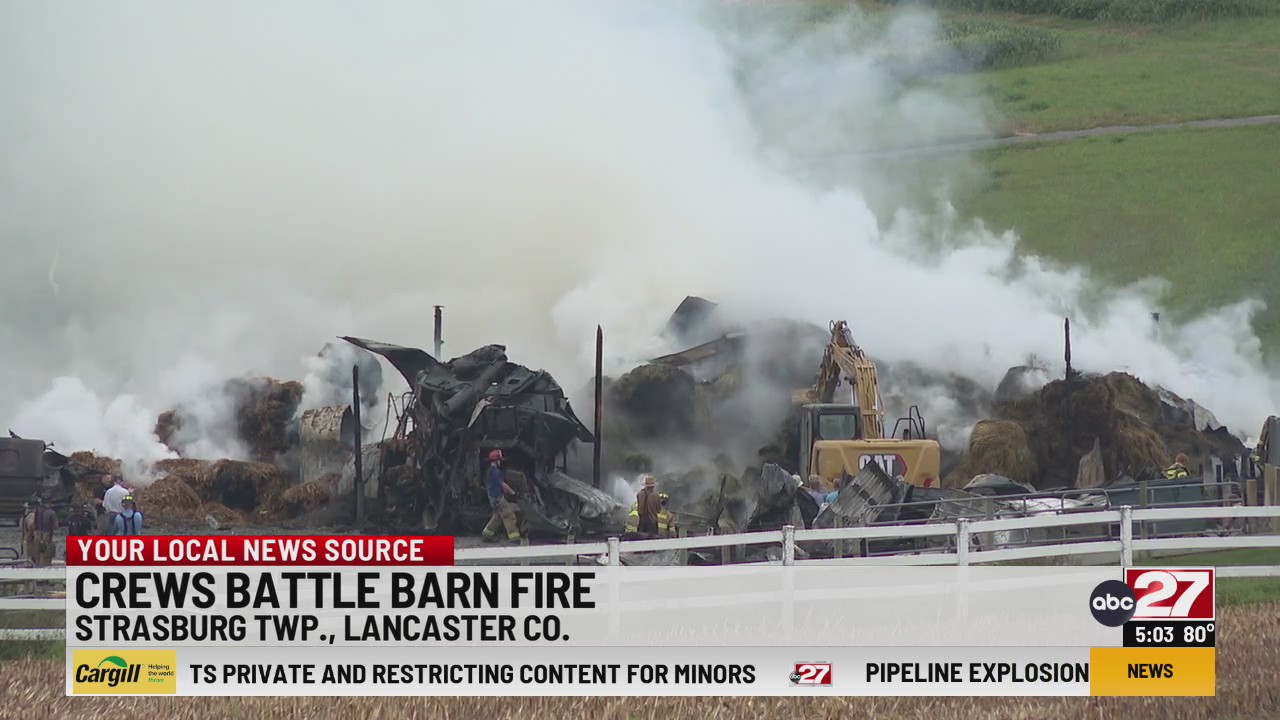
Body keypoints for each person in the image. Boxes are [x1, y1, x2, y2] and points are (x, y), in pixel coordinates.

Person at [481, 449, 522, 543]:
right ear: (496, 460)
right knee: (509, 516)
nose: (500, 462)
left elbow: (495, 484)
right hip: (498, 498)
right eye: (499, 460)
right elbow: (502, 484)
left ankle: (486, 535)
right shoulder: (496, 471)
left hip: (493, 497)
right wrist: (513, 493)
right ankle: (514, 538)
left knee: (497, 517)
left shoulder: (490, 471)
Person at [22, 494, 59, 566]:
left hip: (36, 535)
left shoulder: (37, 511)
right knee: (46, 558)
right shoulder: (51, 513)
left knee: (36, 557)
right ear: (50, 502)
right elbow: (55, 526)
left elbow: (33, 525)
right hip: (47, 537)